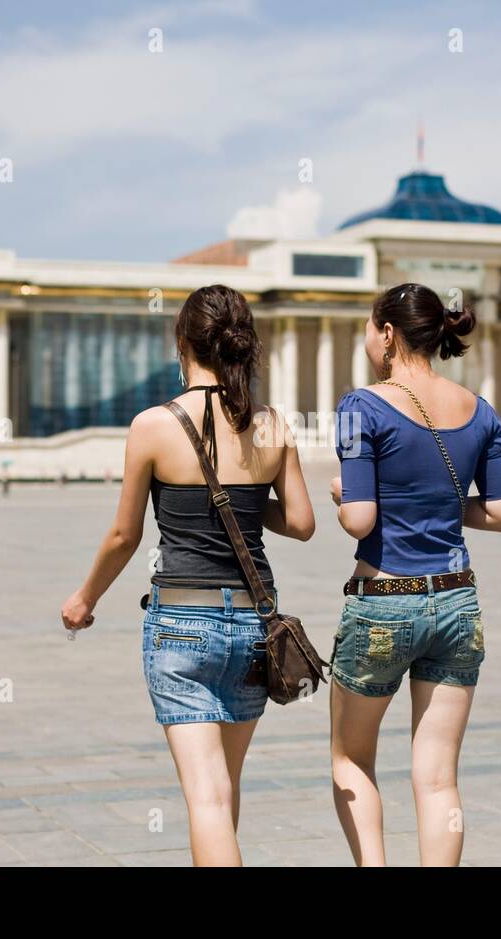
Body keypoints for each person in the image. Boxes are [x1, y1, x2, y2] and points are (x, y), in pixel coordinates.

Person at [59, 285, 314, 866]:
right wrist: (249, 504)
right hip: (254, 624)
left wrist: (84, 598)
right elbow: (300, 523)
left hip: (181, 623)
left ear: (184, 343)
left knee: (205, 798)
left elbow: (125, 536)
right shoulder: (271, 424)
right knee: (224, 789)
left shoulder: (152, 425)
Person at [326, 282, 501, 866]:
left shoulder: (363, 406)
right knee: (438, 779)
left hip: (386, 597)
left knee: (351, 758)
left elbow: (360, 519)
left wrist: (344, 495)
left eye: (367, 325)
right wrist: (435, 503)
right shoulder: (478, 409)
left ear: (387, 333)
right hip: (458, 603)